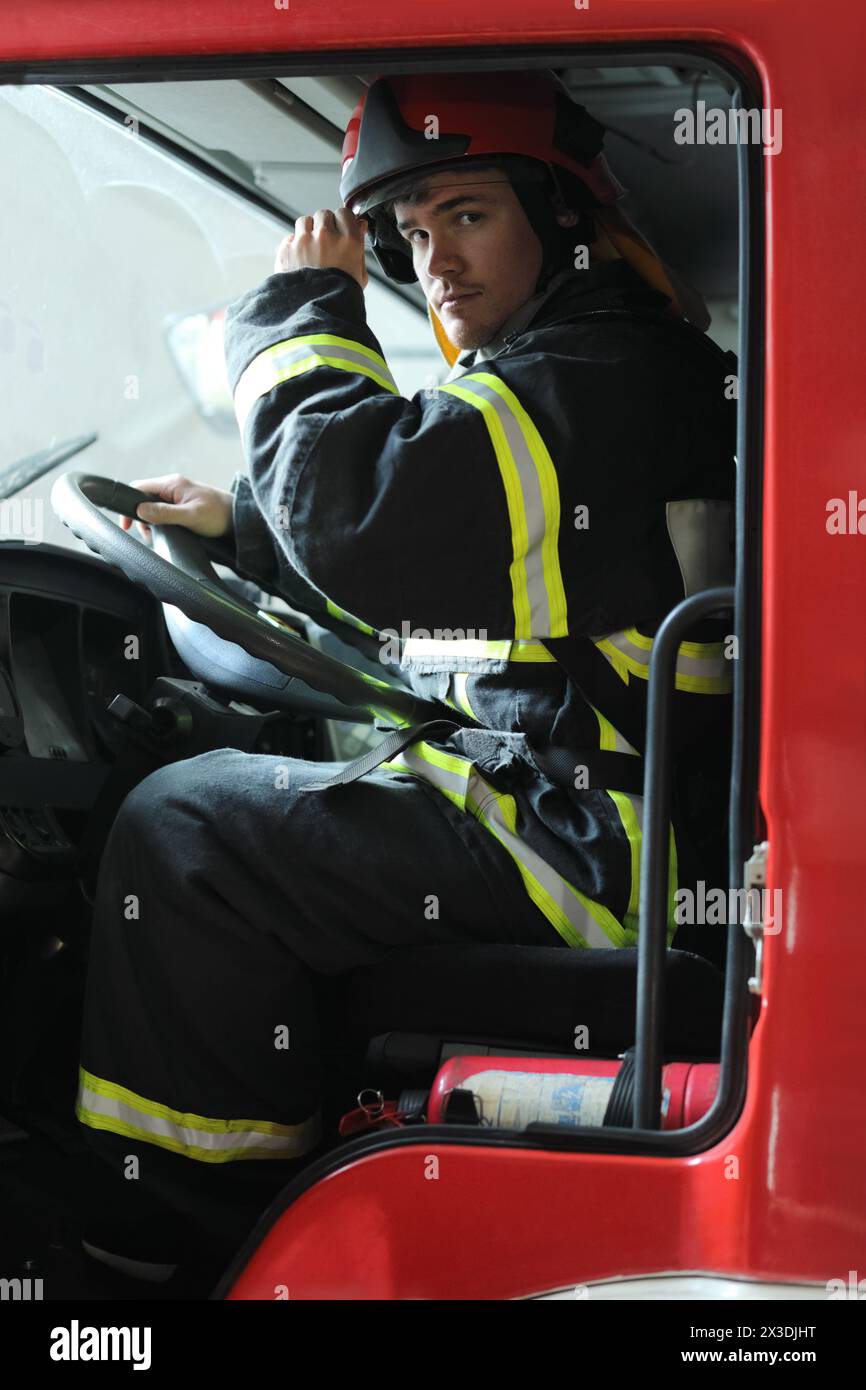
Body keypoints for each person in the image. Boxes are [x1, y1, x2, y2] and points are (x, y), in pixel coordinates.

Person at [77, 71, 736, 1284]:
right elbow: (432, 566)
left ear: (563, 218)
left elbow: (370, 522)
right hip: (596, 821)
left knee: (187, 826)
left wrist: (301, 310)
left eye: (467, 213)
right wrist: (245, 532)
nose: (433, 260)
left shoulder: (597, 377)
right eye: (412, 233)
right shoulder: (590, 372)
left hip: (594, 848)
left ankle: (176, 1236)